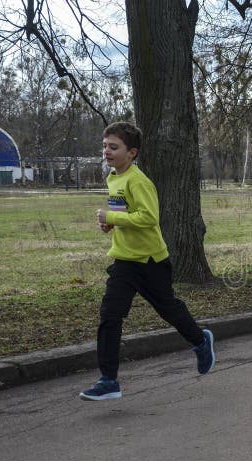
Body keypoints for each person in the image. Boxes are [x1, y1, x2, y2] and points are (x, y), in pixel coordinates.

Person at [79, 122, 215, 401]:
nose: (107, 151)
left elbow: (148, 217)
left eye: (113, 147)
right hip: (124, 261)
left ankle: (201, 341)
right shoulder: (113, 178)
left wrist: (112, 218)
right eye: (105, 146)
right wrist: (111, 226)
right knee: (110, 316)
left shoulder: (138, 181)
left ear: (132, 152)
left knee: (168, 309)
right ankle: (108, 380)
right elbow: (125, 214)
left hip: (151, 261)